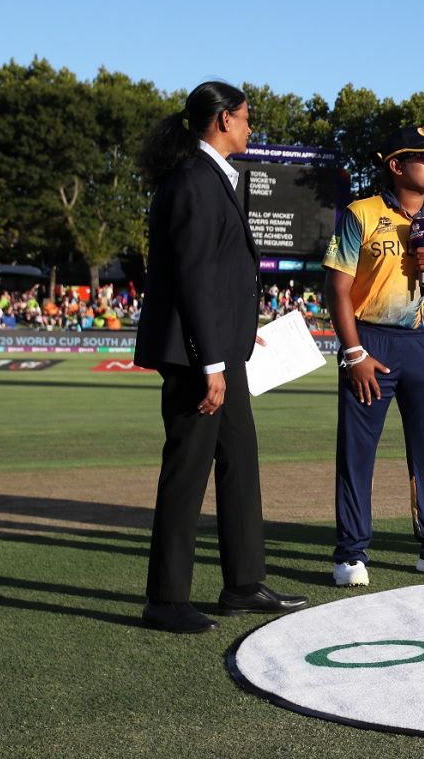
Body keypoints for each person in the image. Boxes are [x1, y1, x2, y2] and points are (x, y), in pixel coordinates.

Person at [134, 81, 307, 633]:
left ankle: (243, 583)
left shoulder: (211, 179)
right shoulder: (194, 181)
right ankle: (164, 599)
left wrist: (238, 333)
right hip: (197, 361)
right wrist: (210, 361)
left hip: (222, 352)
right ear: (224, 120)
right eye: (247, 118)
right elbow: (193, 278)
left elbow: (216, 277)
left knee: (240, 465)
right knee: (187, 472)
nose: (252, 128)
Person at [323, 126, 424, 587]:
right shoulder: (360, 214)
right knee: (357, 453)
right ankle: (351, 553)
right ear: (395, 165)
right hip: (371, 340)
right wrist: (354, 353)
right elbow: (336, 287)